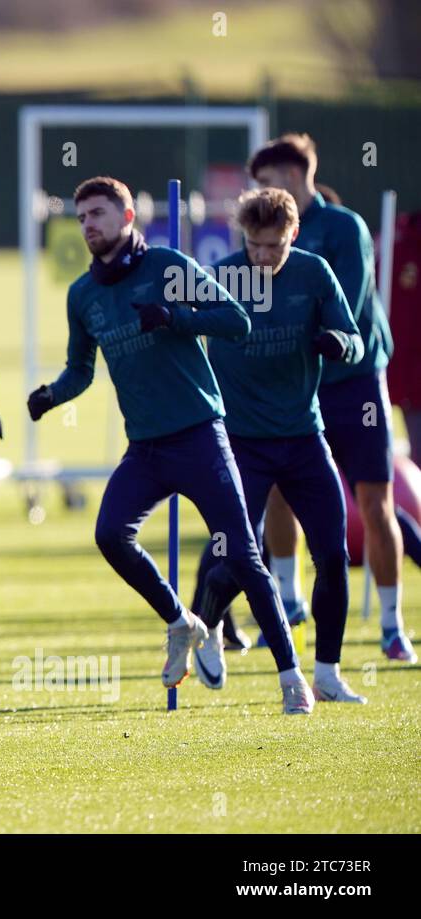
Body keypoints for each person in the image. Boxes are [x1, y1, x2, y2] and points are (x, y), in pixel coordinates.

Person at [27, 175, 313, 714]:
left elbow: (235, 319)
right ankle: (182, 622)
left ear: (127, 218)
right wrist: (50, 396)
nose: (89, 224)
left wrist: (177, 318)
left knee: (246, 558)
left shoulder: (166, 267)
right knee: (110, 533)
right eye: (82, 215)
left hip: (201, 435)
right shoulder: (82, 295)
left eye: (99, 214)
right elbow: (80, 371)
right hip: (147, 450)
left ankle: (292, 677)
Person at [191, 187, 368, 703]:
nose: (263, 255)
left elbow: (353, 335)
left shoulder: (313, 273)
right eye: (254, 245)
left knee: (333, 554)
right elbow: (180, 331)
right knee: (237, 556)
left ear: (293, 233)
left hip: (304, 438)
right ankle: (203, 627)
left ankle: (328, 673)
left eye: (274, 244)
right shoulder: (219, 277)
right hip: (241, 442)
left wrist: (340, 343)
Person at [248, 134, 413, 663]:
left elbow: (346, 308)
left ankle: (391, 625)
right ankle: (291, 600)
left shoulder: (345, 228)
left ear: (295, 176)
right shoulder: (261, 231)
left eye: (268, 181)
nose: (263, 194)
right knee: (278, 491)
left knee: (375, 500)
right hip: (297, 386)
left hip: (356, 383)